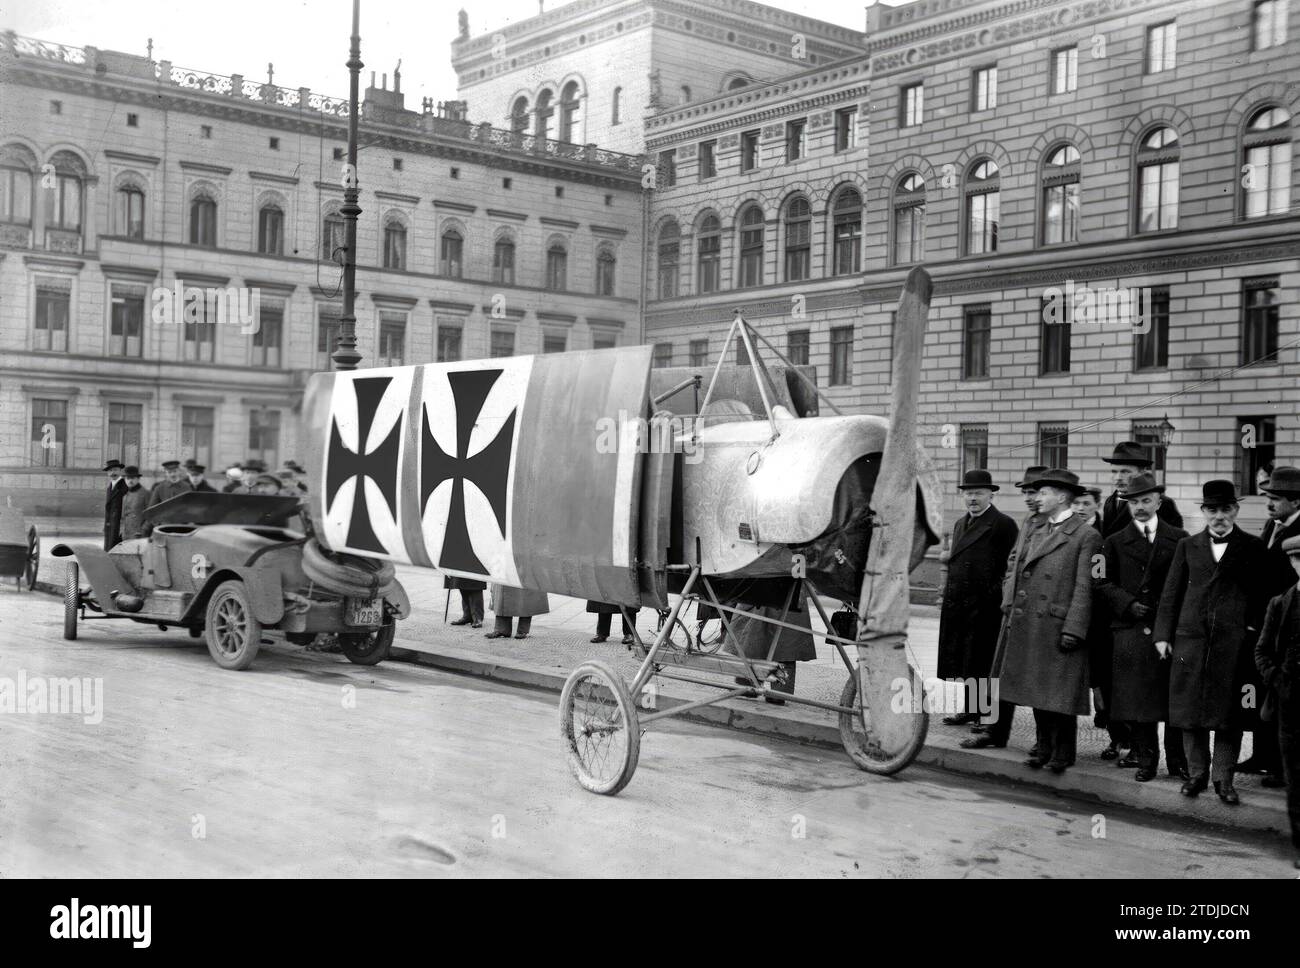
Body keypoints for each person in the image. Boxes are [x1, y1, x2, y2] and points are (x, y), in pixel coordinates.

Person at [1154, 480, 1290, 804]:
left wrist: (1255, 632)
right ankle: (1197, 775)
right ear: (1203, 511)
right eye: (1212, 510)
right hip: (1191, 642)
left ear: (1236, 510)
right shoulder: (1187, 546)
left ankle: (1223, 780)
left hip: (1234, 645)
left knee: (1231, 716)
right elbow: (1171, 593)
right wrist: (1162, 635)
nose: (1219, 516)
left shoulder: (1253, 547)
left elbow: (1264, 596)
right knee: (1190, 714)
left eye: (1226, 509)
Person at [989, 469, 1101, 773]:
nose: (1037, 498)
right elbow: (1016, 567)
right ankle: (1043, 749)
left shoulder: (1086, 535)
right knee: (1037, 690)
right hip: (1030, 624)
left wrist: (1075, 628)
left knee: (1059, 696)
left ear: (1062, 496)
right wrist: (1009, 604)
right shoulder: (1037, 529)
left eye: (1043, 492)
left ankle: (1063, 754)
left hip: (1058, 625)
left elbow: (1085, 587)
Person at [1095, 472, 1188, 781]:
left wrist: (1167, 611)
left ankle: (1179, 762)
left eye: (1146, 500)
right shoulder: (1114, 541)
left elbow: (1188, 581)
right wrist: (1127, 603)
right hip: (1131, 630)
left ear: (1159, 502)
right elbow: (1100, 581)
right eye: (1133, 502)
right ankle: (1147, 761)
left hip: (1168, 629)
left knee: (1173, 699)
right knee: (1140, 701)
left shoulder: (1179, 539)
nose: (1140, 507)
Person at [963, 464, 1047, 750]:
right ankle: (995, 732)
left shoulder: (1054, 526)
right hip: (1013, 611)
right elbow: (1013, 562)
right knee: (1001, 675)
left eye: (1034, 492)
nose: (1029, 498)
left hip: (1037, 614)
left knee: (1038, 680)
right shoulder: (1029, 522)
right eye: (1026, 492)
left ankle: (1043, 740)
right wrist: (1007, 596)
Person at [936, 470, 1018, 726]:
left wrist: (995, 596)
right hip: (960, 604)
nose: (973, 498)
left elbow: (1010, 566)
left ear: (991, 494)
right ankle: (970, 710)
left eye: (979, 493)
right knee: (966, 660)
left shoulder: (1003, 524)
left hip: (986, 607)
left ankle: (985, 714)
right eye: (969, 493)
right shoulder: (961, 523)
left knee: (983, 661)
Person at [1241, 465, 1300, 784]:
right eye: (1269, 497)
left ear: (1296, 502)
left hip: (1287, 629)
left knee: (1283, 697)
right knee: (1261, 692)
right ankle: (1261, 756)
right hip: (1262, 626)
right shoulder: (1270, 526)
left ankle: (1280, 766)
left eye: (1276, 498)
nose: (1269, 503)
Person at [1255, 535, 1300, 869]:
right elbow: (1262, 651)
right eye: (1298, 559)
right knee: (1296, 778)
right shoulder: (1280, 603)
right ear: (1292, 563)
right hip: (1290, 704)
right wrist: (1278, 681)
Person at [721, 580, 816, 705]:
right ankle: (750, 685)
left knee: (785, 643)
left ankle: (778, 693)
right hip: (760, 585)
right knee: (751, 640)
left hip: (786, 586)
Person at [1100, 441, 1182, 536]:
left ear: (1142, 472)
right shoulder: (1109, 502)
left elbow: (1174, 541)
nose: (1118, 477)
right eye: (1114, 472)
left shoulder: (1162, 503)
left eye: (1125, 472)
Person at [118, 466, 151, 540]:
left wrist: (143, 530)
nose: (130, 481)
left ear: (138, 479)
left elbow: (151, 515)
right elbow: (123, 517)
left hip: (139, 535)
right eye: (127, 478)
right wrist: (122, 531)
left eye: (133, 478)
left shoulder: (145, 494)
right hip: (126, 534)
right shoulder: (126, 495)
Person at [102, 459, 127, 551]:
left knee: (115, 549)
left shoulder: (124, 486)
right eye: (110, 470)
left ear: (120, 471)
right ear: (107, 473)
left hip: (118, 525)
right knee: (109, 549)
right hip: (110, 524)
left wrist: (123, 526)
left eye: (115, 470)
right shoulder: (110, 487)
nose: (113, 473)